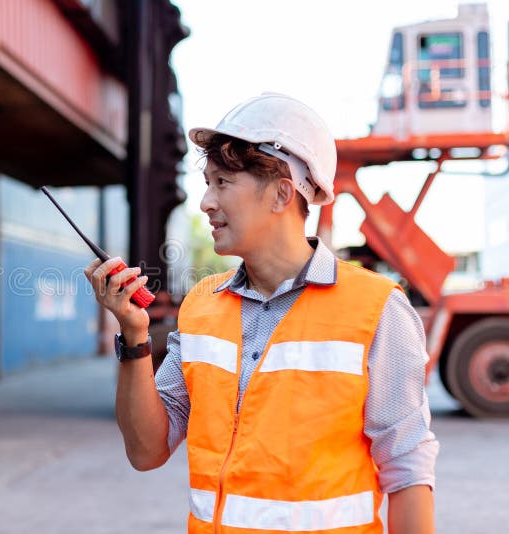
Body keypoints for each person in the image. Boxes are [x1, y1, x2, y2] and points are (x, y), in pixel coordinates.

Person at [84, 93, 438, 534]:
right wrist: (134, 337)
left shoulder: (377, 310)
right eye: (207, 184)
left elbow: (408, 472)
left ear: (280, 193)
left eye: (222, 183)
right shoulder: (202, 305)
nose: (206, 203)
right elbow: (146, 451)